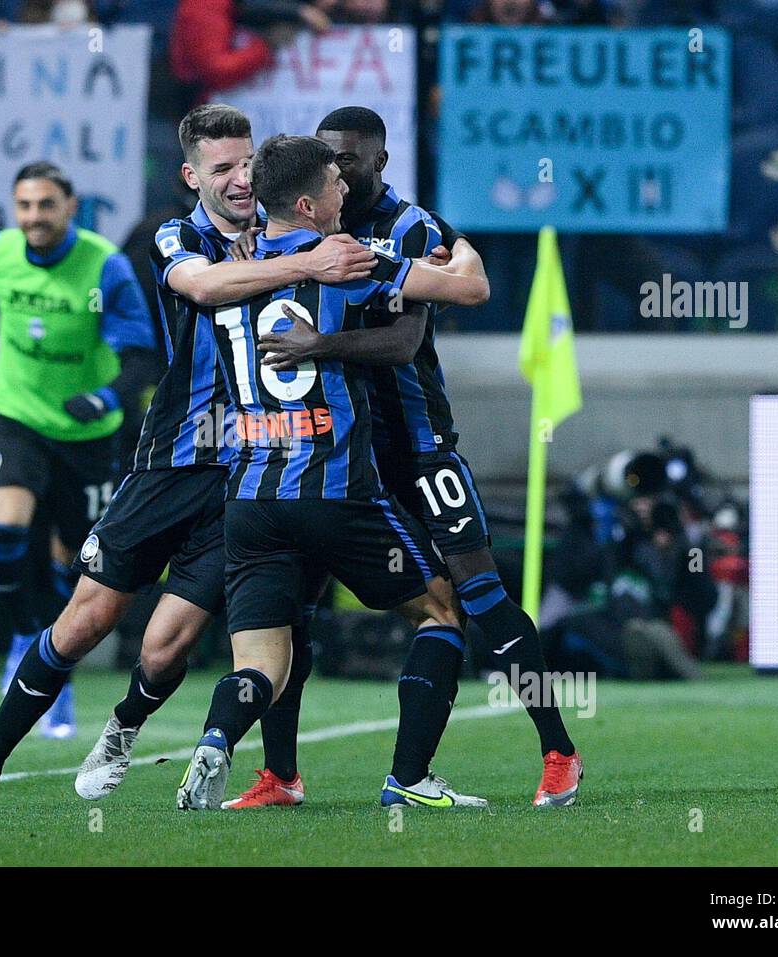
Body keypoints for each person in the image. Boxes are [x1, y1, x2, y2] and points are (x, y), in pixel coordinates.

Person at [0, 104, 380, 811]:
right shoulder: (175, 237)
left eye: (248, 164)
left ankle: (123, 728)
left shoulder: (295, 236)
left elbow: (390, 277)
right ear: (190, 175)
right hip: (168, 464)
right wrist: (306, 262)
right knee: (85, 620)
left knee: (166, 647)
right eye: (222, 168)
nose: (240, 180)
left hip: (248, 476)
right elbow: (203, 287)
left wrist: (441, 262)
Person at [232, 107, 583, 808]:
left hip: (419, 447)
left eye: (349, 159)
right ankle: (281, 773)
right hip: (334, 454)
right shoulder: (295, 236)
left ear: (379, 163)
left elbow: (399, 344)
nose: (338, 168)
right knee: (293, 605)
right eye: (327, 158)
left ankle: (558, 752)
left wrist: (318, 345)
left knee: (479, 593)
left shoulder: (411, 228)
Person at [175, 133, 497, 811]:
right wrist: (459, 244)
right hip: (338, 492)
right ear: (306, 204)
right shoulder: (352, 260)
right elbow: (470, 290)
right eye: (333, 184)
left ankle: (215, 739)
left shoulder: (232, 267)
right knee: (440, 613)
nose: (345, 190)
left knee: (261, 661)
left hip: (253, 497)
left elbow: (204, 286)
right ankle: (409, 778)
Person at [0, 161, 158, 738]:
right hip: (16, 418)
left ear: (70, 206)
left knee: (76, 565)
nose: (34, 217)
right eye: (24, 206)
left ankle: (52, 676)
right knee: (6, 533)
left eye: (45, 205)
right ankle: (21, 638)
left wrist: (105, 397)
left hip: (86, 437)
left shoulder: (103, 266)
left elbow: (142, 353)